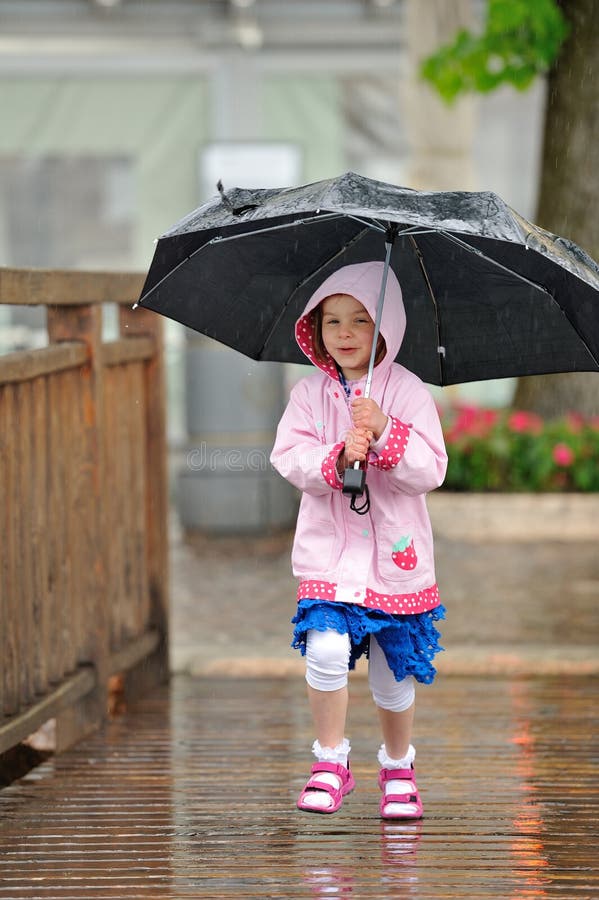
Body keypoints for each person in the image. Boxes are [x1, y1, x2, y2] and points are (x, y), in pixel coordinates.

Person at [270, 261, 447, 819]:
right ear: (314, 329)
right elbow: (289, 458)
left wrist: (386, 430)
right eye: (331, 321)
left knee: (392, 674)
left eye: (360, 320)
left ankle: (397, 766)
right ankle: (330, 761)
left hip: (395, 560)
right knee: (324, 649)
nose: (344, 334)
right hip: (329, 555)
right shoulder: (308, 395)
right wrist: (336, 455)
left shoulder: (408, 391)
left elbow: (430, 470)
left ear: (385, 327)